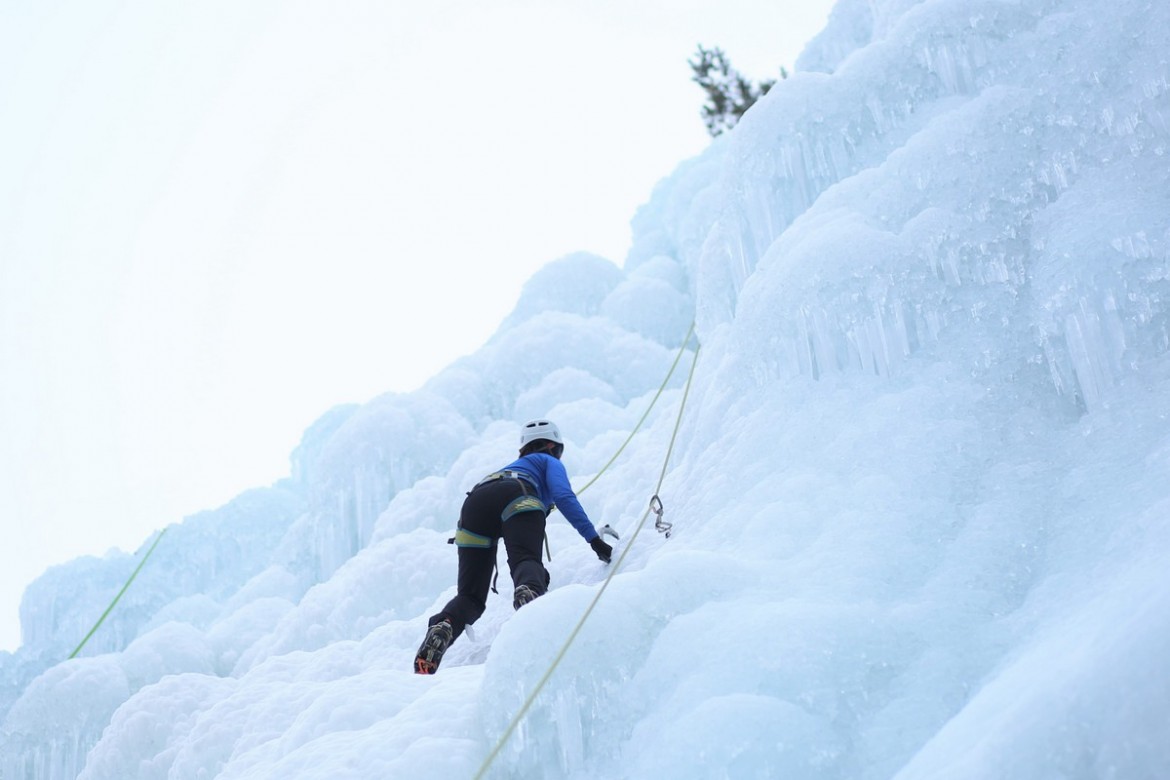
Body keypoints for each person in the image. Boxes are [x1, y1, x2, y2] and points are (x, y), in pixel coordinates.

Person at [414, 419, 613, 674]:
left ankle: (444, 625)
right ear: (552, 445)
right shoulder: (548, 460)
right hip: (517, 494)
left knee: (471, 597)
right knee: (526, 561)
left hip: (475, 505)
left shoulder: (515, 465)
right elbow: (563, 496)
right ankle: (528, 594)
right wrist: (594, 540)